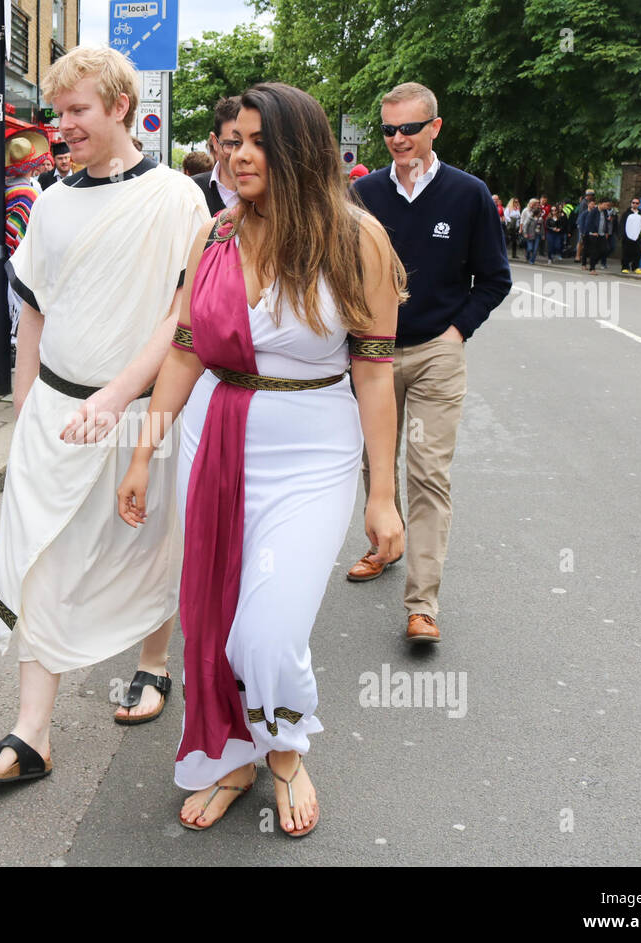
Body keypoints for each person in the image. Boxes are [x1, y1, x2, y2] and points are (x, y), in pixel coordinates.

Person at [117, 82, 405, 835]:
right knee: (212, 617)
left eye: (255, 141)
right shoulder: (215, 235)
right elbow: (183, 352)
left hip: (314, 446)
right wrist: (144, 452)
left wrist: (383, 496)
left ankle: (284, 750)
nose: (237, 154)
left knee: (265, 633)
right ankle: (234, 759)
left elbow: (374, 373)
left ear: (297, 148)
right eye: (229, 141)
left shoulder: (356, 239)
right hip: (219, 435)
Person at [0, 46, 210, 784]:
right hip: (55, 412)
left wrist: (118, 395)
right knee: (42, 562)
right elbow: (31, 310)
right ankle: (31, 733)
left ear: (120, 108)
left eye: (77, 112)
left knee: (148, 549)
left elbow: (181, 315)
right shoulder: (54, 199)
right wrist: (25, 407)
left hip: (139, 413)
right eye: (57, 112)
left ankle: (154, 662)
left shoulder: (176, 198)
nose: (60, 126)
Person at [346, 81, 511, 643]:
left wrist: (456, 331)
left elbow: (495, 278)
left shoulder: (468, 194)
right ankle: (381, 546)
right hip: (373, 351)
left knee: (428, 474)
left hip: (436, 350)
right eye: (388, 129)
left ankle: (422, 603)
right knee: (377, 465)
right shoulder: (363, 193)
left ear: (434, 128)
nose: (397, 139)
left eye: (409, 129)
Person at [0, 128, 48, 363]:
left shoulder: (2, 188)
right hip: (17, 258)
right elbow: (27, 233)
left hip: (3, 256)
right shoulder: (27, 192)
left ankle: (10, 342)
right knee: (17, 301)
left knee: (7, 301)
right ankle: (15, 342)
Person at [191, 96, 242, 216]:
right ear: (215, 142)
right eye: (230, 144)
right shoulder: (191, 191)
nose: (239, 154)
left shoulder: (273, 197)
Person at [620, 197, 641, 273]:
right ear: (631, 203)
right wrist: (621, 235)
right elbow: (622, 224)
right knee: (626, 252)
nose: (635, 204)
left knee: (638, 251)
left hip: (637, 236)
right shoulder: (626, 214)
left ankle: (635, 267)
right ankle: (625, 267)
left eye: (637, 203)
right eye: (633, 203)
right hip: (627, 236)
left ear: (639, 204)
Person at [520, 197, 544, 264]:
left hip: (537, 234)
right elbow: (523, 222)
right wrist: (523, 231)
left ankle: (532, 260)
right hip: (529, 233)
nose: (537, 204)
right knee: (530, 248)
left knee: (535, 249)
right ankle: (527, 256)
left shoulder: (540, 217)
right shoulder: (527, 212)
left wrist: (543, 234)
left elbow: (542, 227)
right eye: (535, 203)